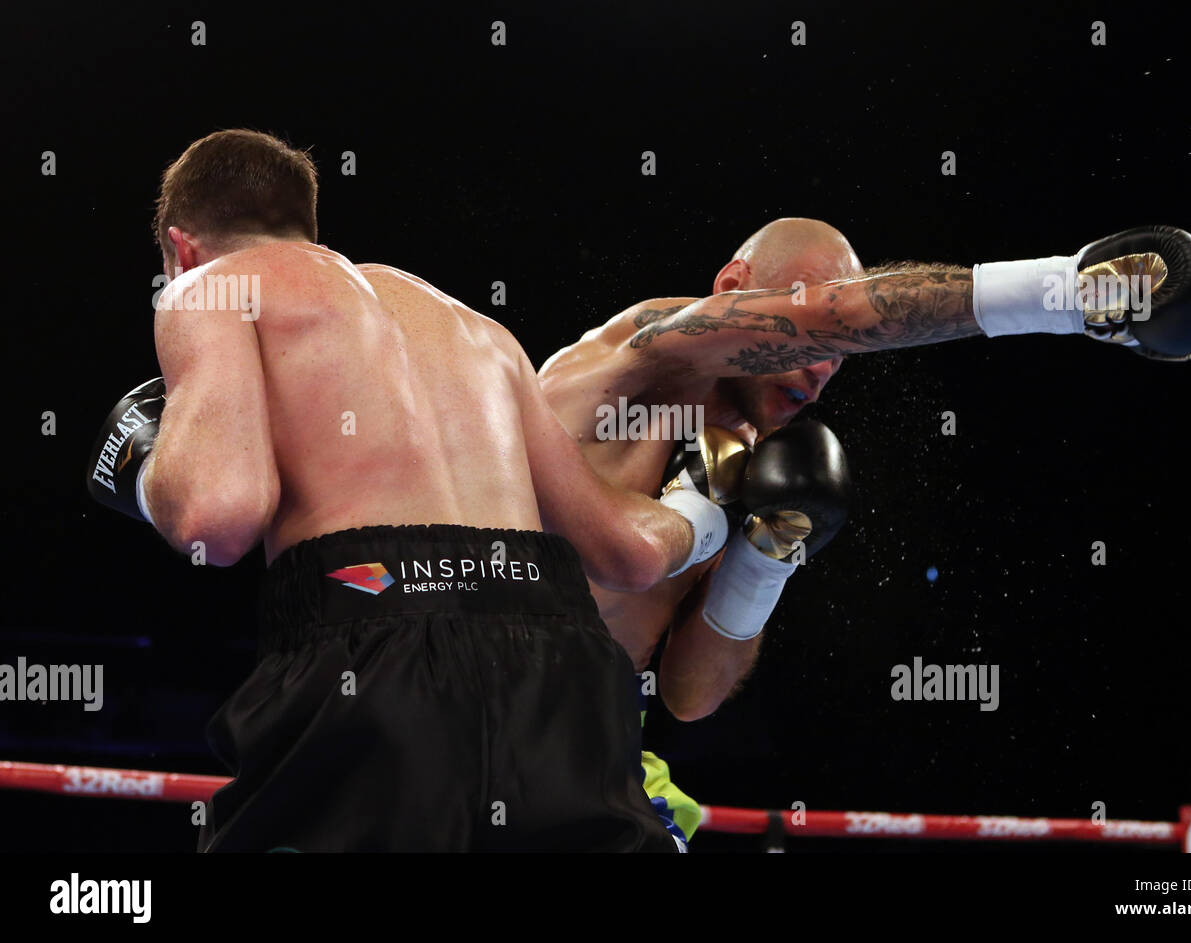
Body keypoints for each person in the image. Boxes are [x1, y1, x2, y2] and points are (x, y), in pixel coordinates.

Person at [86, 129, 729, 852]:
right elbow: (631, 553)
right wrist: (702, 513)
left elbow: (217, 517)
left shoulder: (209, 287)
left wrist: (146, 472)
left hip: (373, 622)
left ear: (182, 248)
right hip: (561, 659)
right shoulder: (474, 326)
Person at [539, 217, 1191, 844]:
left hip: (600, 743)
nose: (823, 363)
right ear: (733, 288)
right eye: (815, 325)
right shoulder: (648, 348)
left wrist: (763, 562)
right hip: (476, 689)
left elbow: (690, 695)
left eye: (839, 354)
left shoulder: (751, 463)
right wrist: (1063, 292)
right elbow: (844, 316)